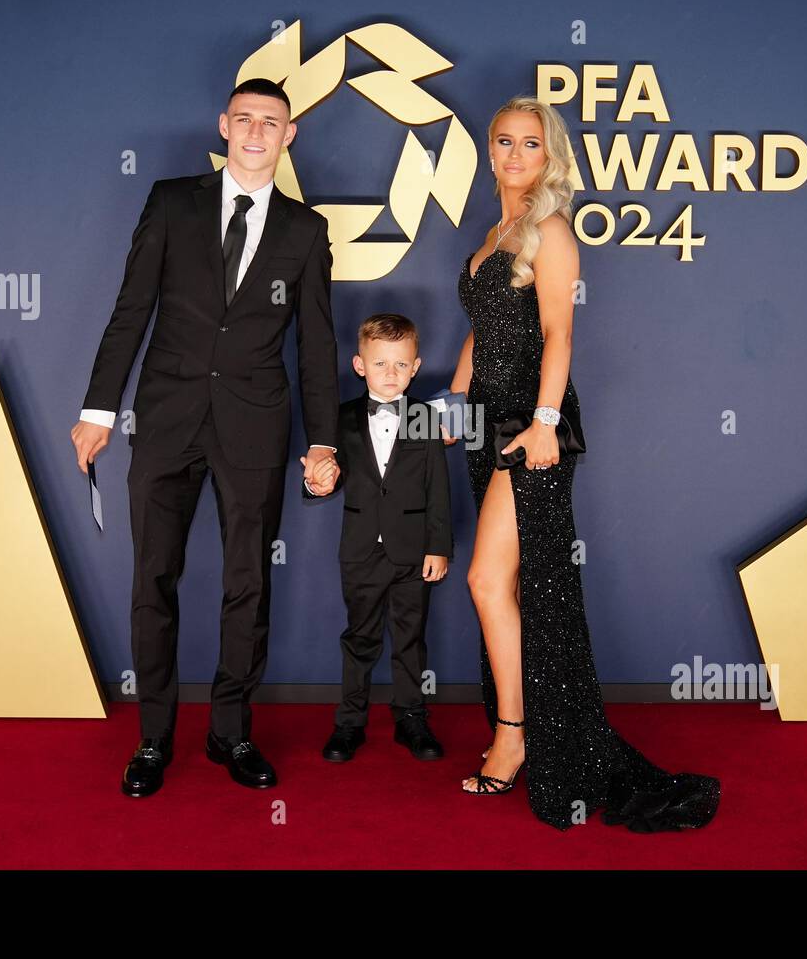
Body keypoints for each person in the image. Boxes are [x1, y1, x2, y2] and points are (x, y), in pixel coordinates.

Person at [446, 96, 721, 832]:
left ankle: (514, 739)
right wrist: (452, 398)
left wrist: (541, 424)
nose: (513, 155)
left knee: (485, 578)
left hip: (532, 426)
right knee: (504, 582)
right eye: (503, 142)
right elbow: (482, 331)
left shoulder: (552, 232)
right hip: (485, 421)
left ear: (549, 156)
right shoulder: (492, 231)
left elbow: (559, 335)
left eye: (529, 144)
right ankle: (524, 726)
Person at [70, 78, 341, 797]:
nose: (256, 131)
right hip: (165, 421)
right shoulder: (169, 202)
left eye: (271, 122)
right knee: (151, 578)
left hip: (255, 425)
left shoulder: (306, 232)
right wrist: (99, 411)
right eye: (245, 118)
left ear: (290, 136)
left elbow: (317, 345)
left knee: (247, 584)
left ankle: (231, 731)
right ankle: (154, 739)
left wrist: (323, 441)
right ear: (225, 125)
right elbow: (131, 311)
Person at [302, 314, 453, 762]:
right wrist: (316, 483)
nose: (391, 374)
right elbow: (320, 476)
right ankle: (349, 723)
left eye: (401, 365)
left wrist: (438, 547)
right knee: (360, 638)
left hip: (413, 552)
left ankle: (412, 719)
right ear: (359, 365)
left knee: (410, 638)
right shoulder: (340, 419)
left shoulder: (427, 417)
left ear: (416, 366)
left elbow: (438, 488)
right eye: (381, 363)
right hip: (361, 550)